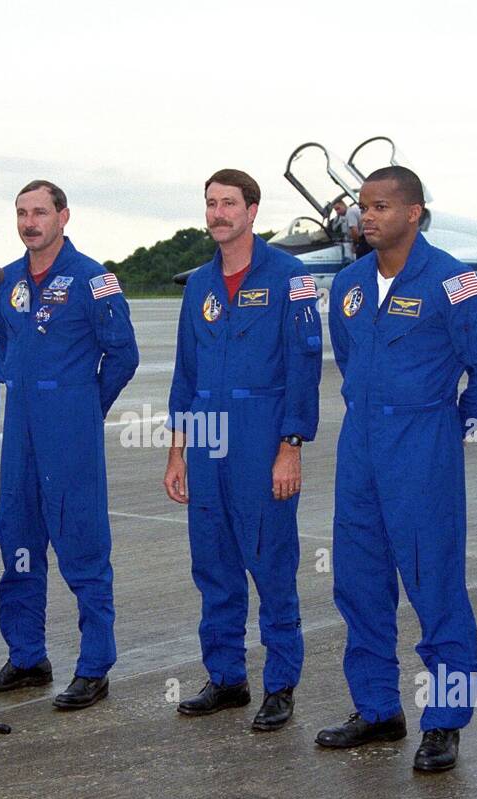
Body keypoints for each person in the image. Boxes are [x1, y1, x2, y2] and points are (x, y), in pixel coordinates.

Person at [318, 167, 477, 772]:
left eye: (382, 206)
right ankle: (376, 709)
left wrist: (456, 425)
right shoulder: (347, 284)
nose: (367, 217)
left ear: (415, 211)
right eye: (364, 207)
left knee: (433, 582)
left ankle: (445, 720)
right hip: (360, 443)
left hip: (422, 443)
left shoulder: (454, 281)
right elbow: (348, 359)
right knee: (359, 581)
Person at [164, 169, 322, 731]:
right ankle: (227, 677)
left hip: (262, 439)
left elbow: (304, 370)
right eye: (210, 203)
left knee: (272, 564)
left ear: (252, 211)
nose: (218, 213)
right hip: (205, 441)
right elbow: (186, 373)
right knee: (214, 566)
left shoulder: (290, 277)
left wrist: (291, 446)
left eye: (228, 203)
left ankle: (280, 684)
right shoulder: (200, 285)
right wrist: (177, 451)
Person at [0, 180, 139, 710]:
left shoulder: (94, 280)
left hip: (70, 432)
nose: (29, 222)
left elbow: (123, 354)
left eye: (39, 212)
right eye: (21, 213)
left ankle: (94, 666)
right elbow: (1, 342)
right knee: (17, 541)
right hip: (21, 430)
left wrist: (86, 406)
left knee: (83, 547)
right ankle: (27, 656)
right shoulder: (7, 283)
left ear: (63, 217)